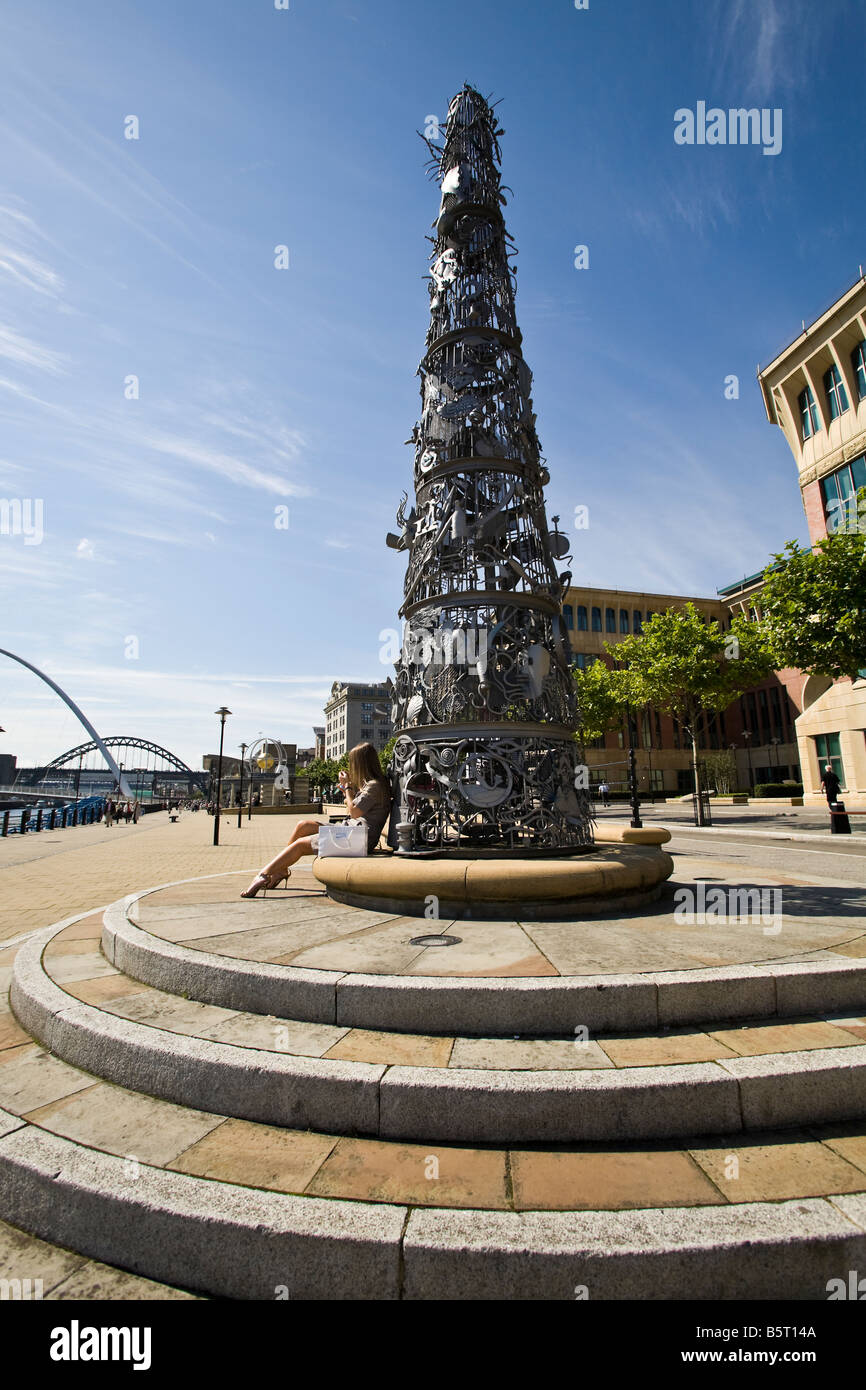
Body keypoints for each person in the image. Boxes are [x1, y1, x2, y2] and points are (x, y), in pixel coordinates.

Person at [241, 741, 391, 898]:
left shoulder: (375, 786)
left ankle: (263, 874)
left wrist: (347, 788)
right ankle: (282, 869)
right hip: (352, 830)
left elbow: (353, 812)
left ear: (361, 764)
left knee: (299, 845)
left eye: (353, 763)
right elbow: (353, 808)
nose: (351, 767)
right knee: (303, 826)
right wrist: (348, 790)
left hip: (358, 839)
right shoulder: (371, 785)